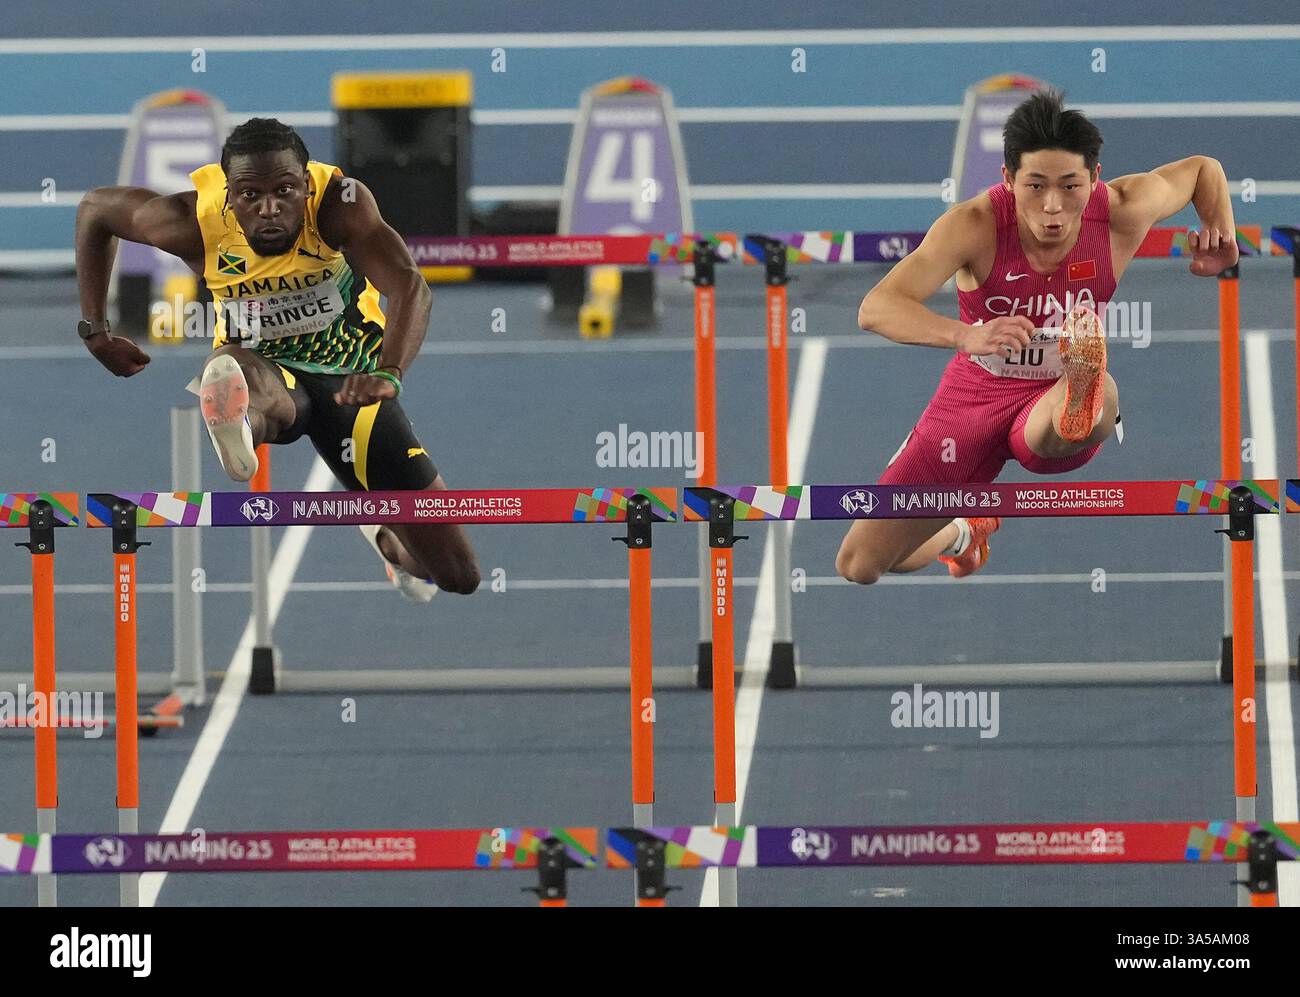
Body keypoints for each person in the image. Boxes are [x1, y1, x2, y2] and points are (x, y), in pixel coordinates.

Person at [837, 89, 1239, 584]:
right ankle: (965, 531)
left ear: (1095, 177)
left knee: (1086, 408)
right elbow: (877, 307)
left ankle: (1082, 389)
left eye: (1070, 187)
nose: (1052, 207)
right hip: (973, 394)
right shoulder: (973, 225)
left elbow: (1203, 170)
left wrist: (1220, 232)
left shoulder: (1122, 208)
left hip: (1053, 394)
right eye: (1035, 186)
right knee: (861, 565)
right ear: (1007, 178)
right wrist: (966, 335)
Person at [75, 118, 479, 602]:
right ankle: (238, 422)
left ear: (306, 186)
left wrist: (388, 372)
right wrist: (95, 330)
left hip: (352, 379)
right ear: (227, 195)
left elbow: (408, 284)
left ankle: (386, 538)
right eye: (250, 196)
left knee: (458, 575)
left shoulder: (339, 206)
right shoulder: (189, 221)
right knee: (244, 378)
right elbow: (95, 209)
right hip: (264, 367)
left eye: (285, 191)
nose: (270, 209)